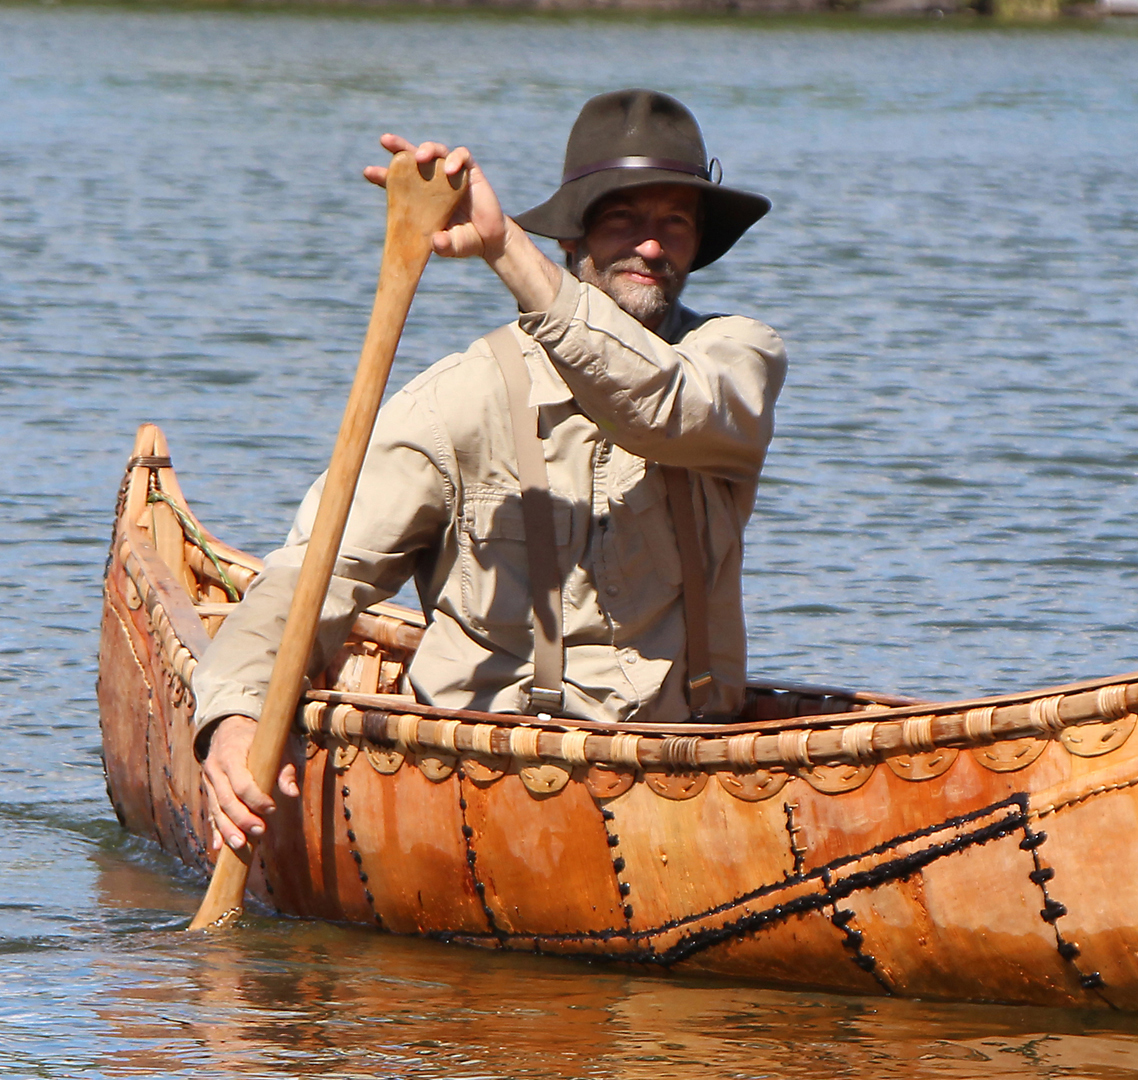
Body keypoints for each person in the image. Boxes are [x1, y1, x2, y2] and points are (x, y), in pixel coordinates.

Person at [191, 89, 786, 855]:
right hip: (490, 789)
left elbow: (657, 406)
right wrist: (233, 716)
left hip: (685, 774)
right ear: (575, 237)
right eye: (624, 219)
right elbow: (321, 571)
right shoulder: (461, 398)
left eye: (674, 222)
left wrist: (503, 247)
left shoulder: (734, 360)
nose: (650, 245)